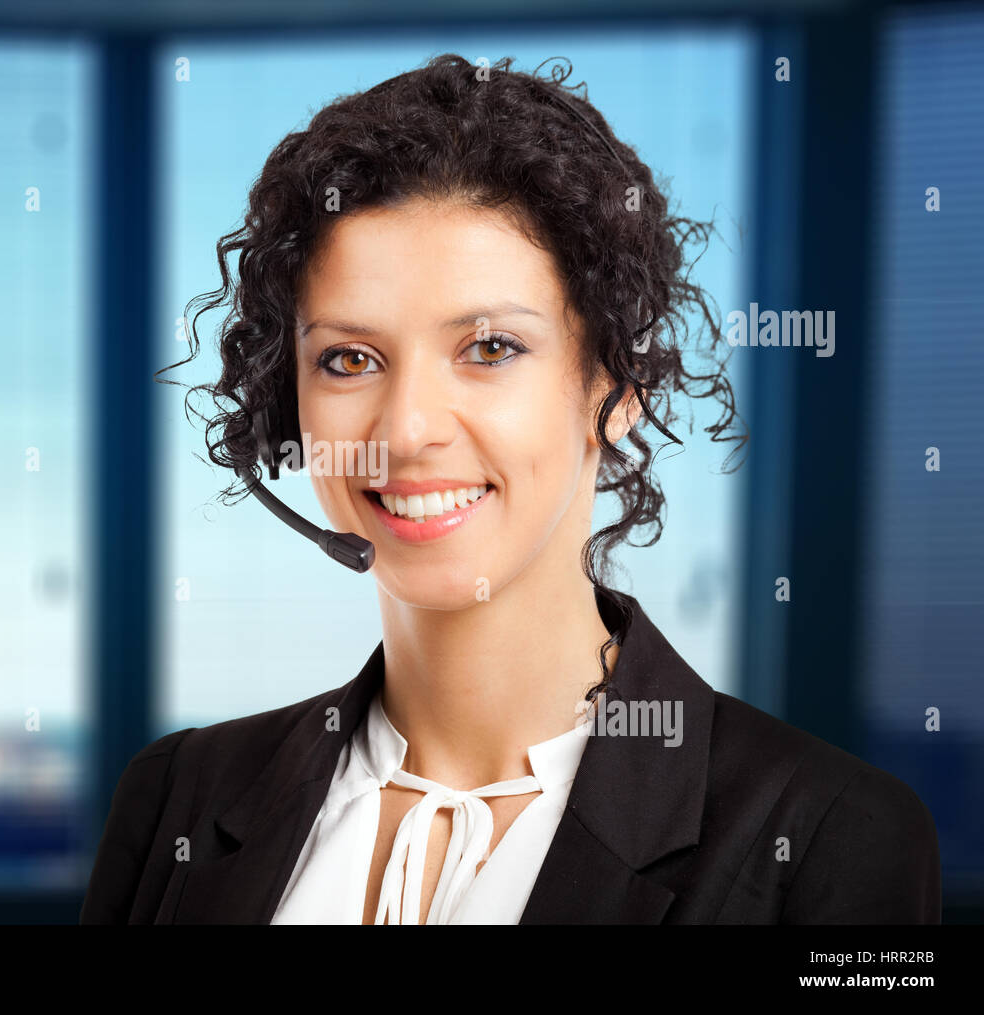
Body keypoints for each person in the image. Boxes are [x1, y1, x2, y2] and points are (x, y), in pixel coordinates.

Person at [81, 54, 940, 924]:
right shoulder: (176, 797)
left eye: (489, 348)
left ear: (616, 385)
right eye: (349, 359)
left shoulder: (833, 837)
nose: (408, 428)